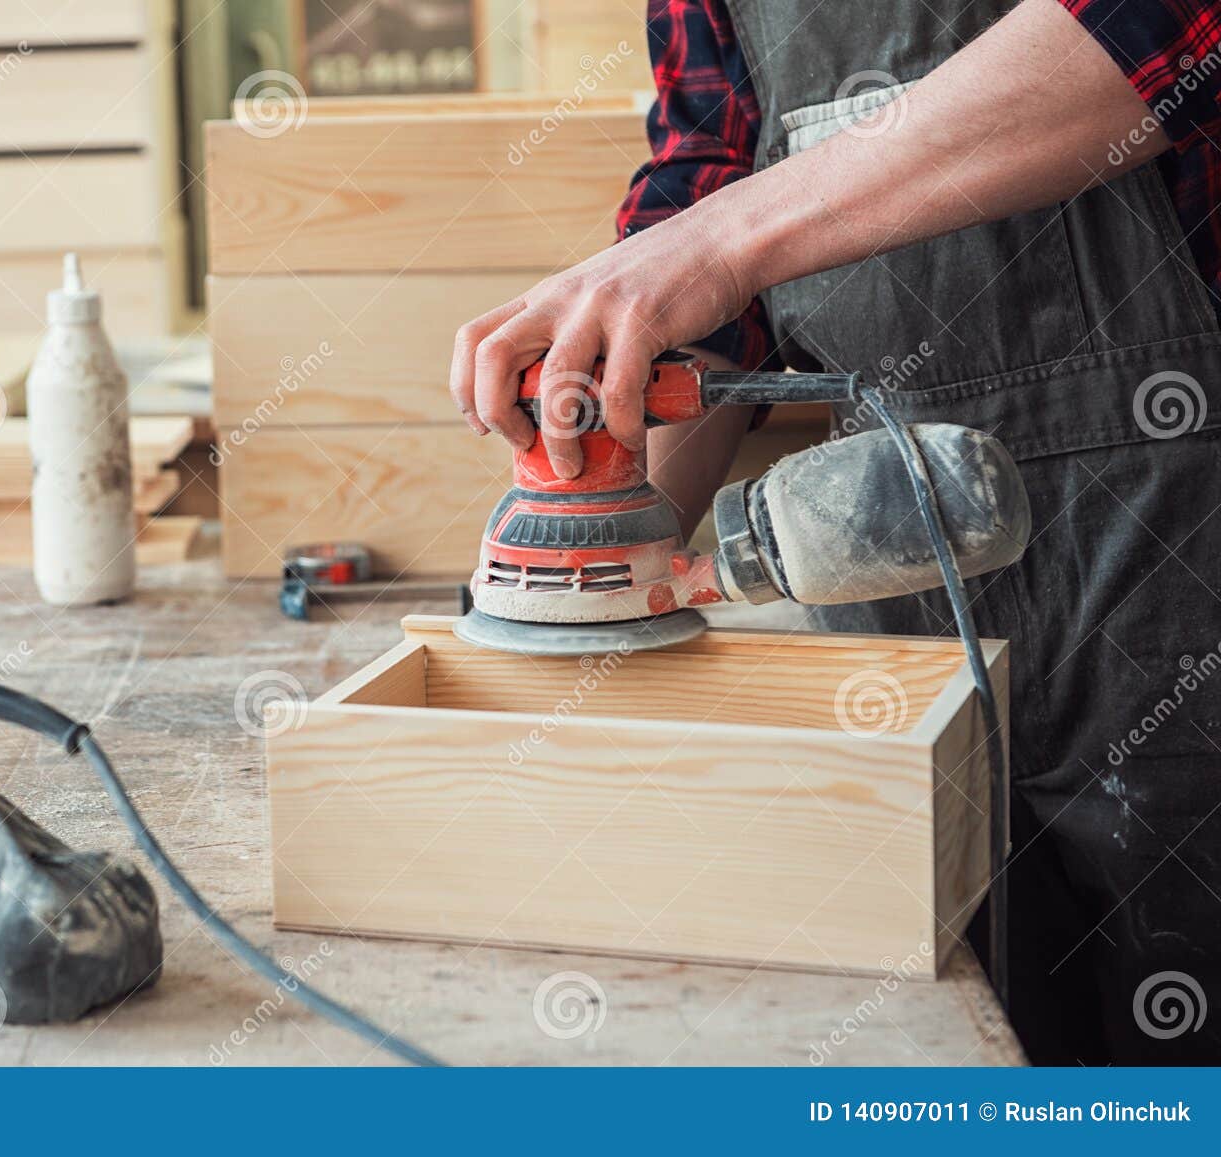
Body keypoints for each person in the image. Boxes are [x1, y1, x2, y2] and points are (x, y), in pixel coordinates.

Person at [450, 0, 1221, 1065]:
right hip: (885, 531)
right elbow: (706, 188)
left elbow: (1163, 28)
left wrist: (716, 243)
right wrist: (609, 517)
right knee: (969, 1035)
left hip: (1181, 531)